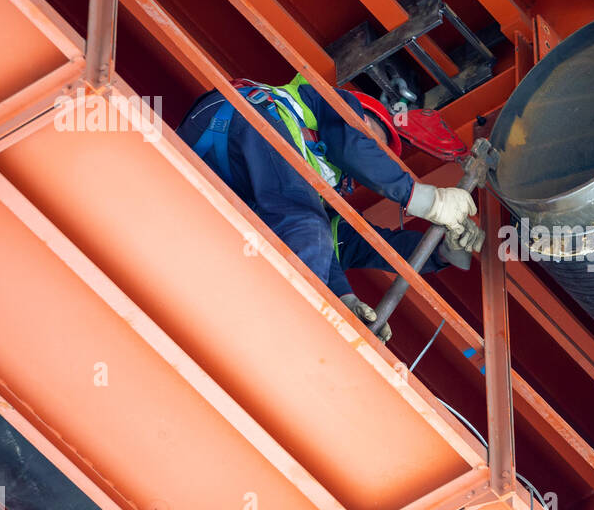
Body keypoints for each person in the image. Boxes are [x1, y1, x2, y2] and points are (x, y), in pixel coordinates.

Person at [176, 74, 482, 343]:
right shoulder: (332, 104)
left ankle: (294, 315)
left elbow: (359, 245)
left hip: (219, 162)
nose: (372, 147)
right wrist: (427, 199)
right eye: (372, 140)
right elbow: (351, 147)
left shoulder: (318, 195)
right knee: (305, 222)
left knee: (312, 228)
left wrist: (344, 299)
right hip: (242, 116)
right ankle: (293, 328)